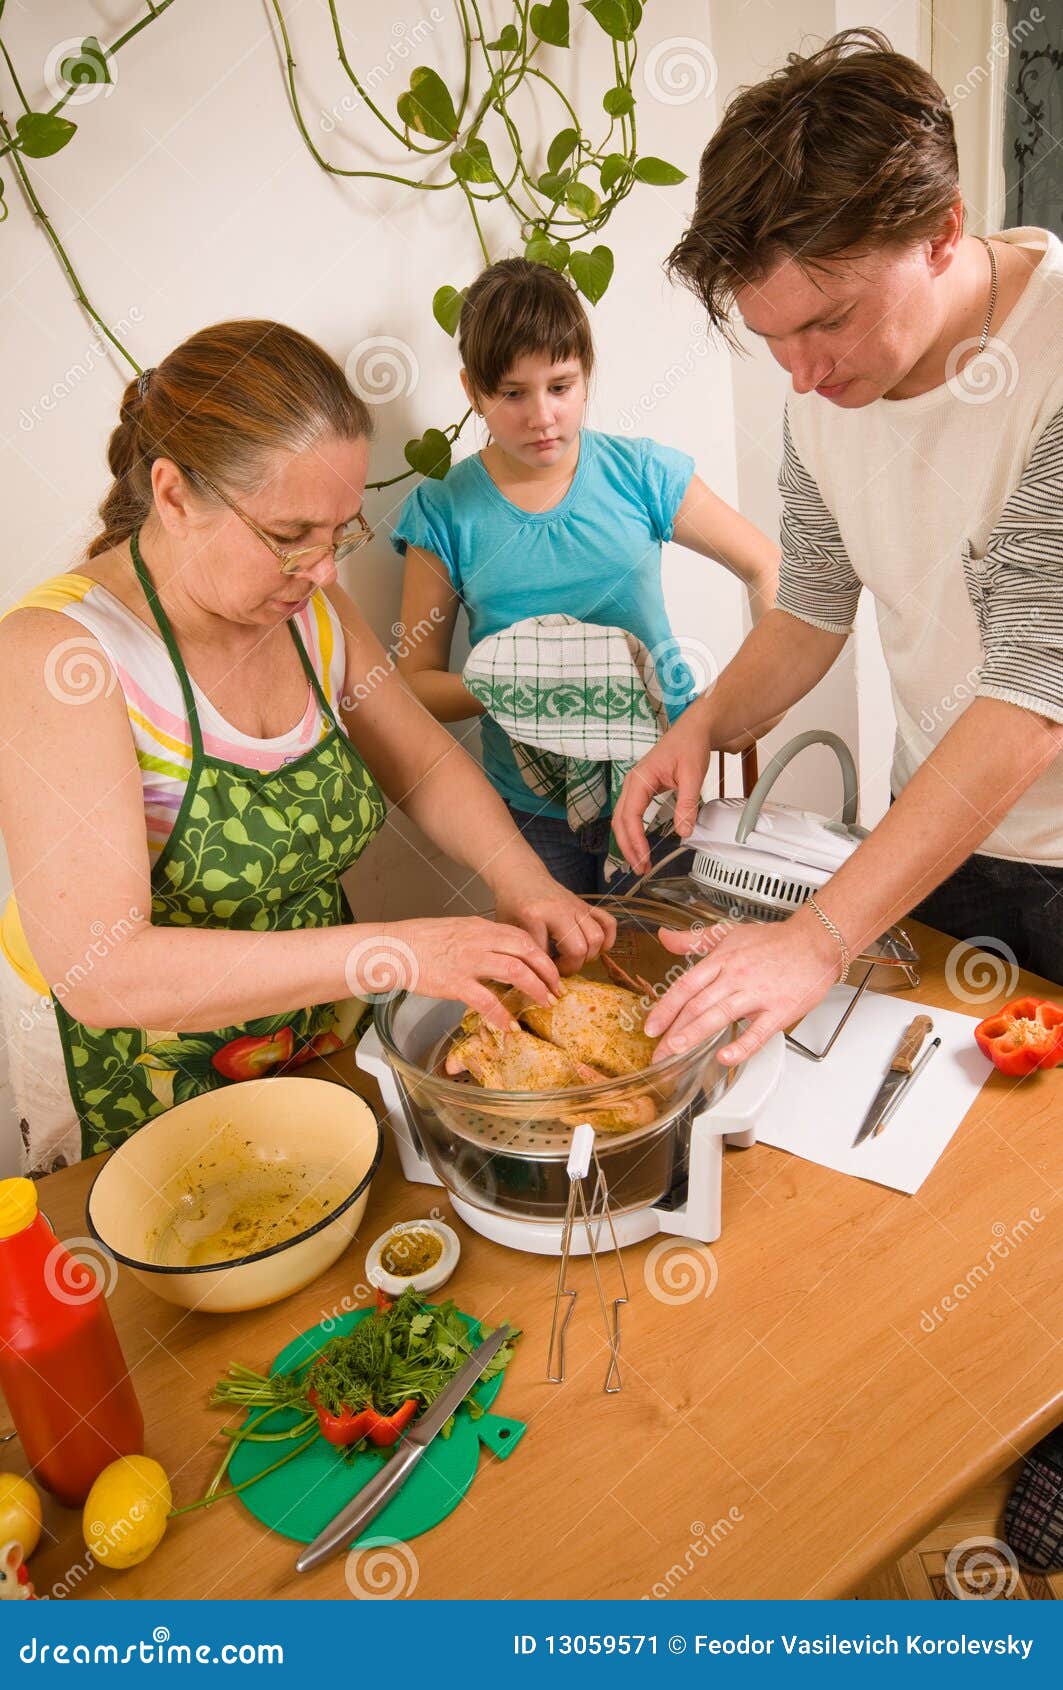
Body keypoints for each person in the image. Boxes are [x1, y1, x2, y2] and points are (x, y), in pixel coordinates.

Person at [0, 320, 615, 1176]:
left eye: (342, 532)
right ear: (174, 496)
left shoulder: (304, 607)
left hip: (316, 1027)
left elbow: (422, 761)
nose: (325, 570)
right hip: (132, 1076)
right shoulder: (57, 657)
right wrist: (402, 951)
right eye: (291, 535)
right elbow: (105, 974)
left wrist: (525, 882)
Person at [611, 29, 1063, 1066]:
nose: (802, 374)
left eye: (830, 322)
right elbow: (811, 602)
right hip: (936, 833)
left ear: (943, 233)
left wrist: (818, 934)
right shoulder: (820, 391)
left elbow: (1034, 693)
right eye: (771, 337)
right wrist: (707, 723)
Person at [392, 258, 779, 894]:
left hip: (660, 777)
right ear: (471, 390)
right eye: (512, 394)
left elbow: (767, 567)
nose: (541, 416)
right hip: (528, 809)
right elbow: (413, 683)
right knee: (563, 981)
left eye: (561, 386)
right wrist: (527, 680)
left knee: (665, 961)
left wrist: (753, 706)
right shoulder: (445, 512)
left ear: (587, 375)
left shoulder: (641, 475)